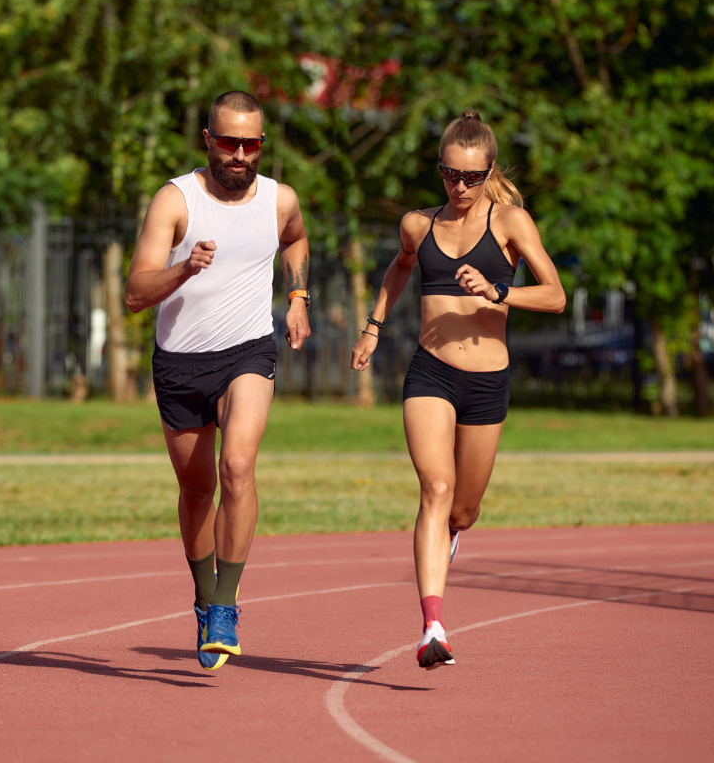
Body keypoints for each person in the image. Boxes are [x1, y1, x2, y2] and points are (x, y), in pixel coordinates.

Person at [350, 109, 566, 668]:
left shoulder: (511, 222)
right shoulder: (418, 225)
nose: (460, 186)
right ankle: (432, 628)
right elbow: (400, 268)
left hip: (488, 382)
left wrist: (499, 291)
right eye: (450, 175)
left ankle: (451, 536)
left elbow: (555, 295)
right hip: (431, 373)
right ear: (440, 170)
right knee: (436, 487)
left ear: (489, 171)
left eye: (472, 176)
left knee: (463, 511)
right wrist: (373, 326)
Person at [125, 91, 311, 671]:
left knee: (237, 467)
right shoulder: (175, 200)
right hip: (179, 363)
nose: (240, 155)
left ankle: (226, 605)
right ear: (208, 139)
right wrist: (184, 268)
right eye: (229, 142)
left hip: (247, 352)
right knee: (197, 489)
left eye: (252, 144)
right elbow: (134, 293)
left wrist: (298, 296)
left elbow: (296, 238)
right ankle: (205, 598)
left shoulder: (280, 199)